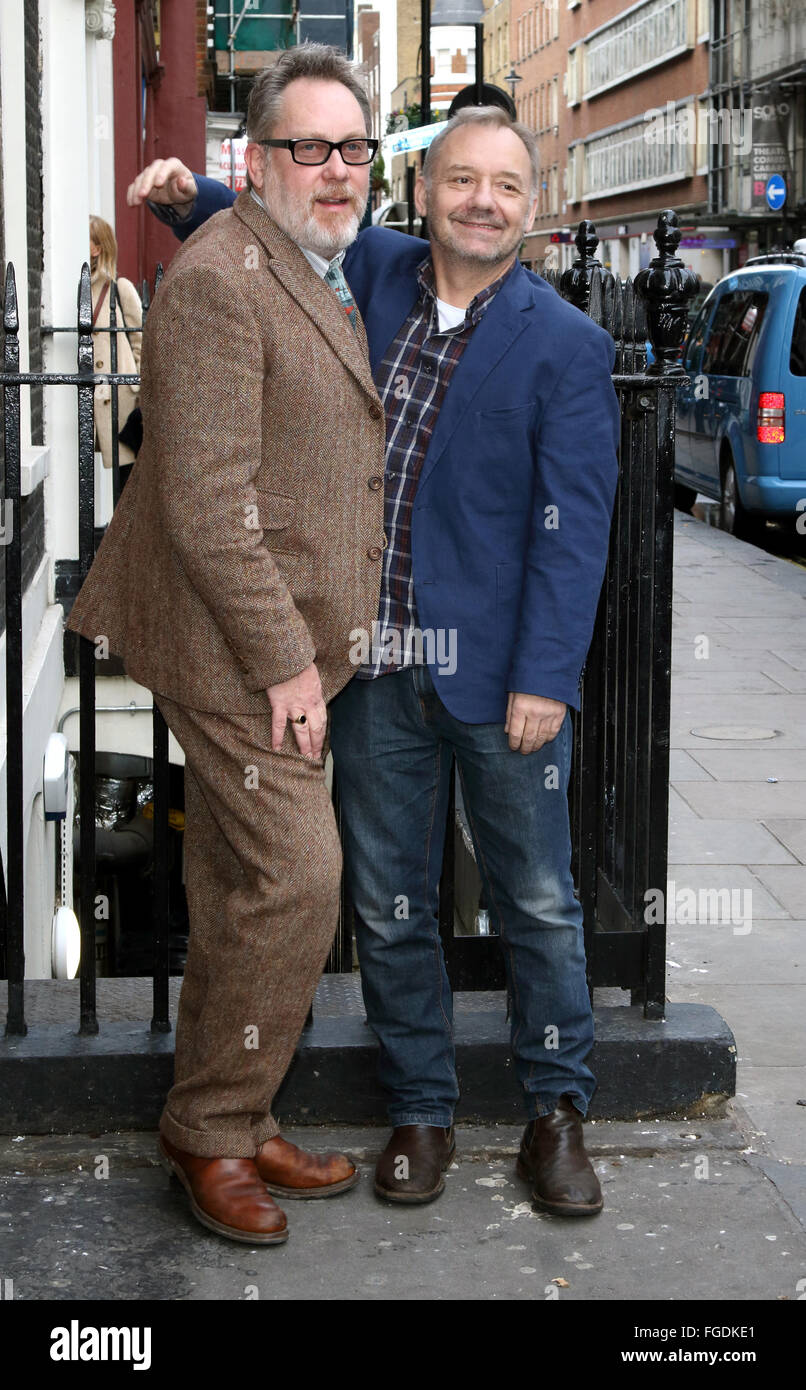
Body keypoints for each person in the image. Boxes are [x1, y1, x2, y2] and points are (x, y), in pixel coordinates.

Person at [133, 105, 620, 1217]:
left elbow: (574, 526)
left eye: (504, 185)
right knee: (392, 903)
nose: (481, 200)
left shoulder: (566, 346)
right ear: (427, 194)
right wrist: (184, 199)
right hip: (369, 666)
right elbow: (283, 214)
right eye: (461, 180)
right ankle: (420, 1109)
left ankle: (554, 1111)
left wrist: (547, 675)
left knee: (536, 903)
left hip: (501, 683)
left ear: (530, 209)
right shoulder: (379, 272)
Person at [67, 44, 388, 1244]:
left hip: (277, 635)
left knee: (238, 884)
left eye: (353, 149)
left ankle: (236, 1105)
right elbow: (207, 505)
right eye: (310, 148)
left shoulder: (305, 259)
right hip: (230, 645)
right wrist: (287, 665)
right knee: (300, 878)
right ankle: (206, 1129)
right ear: (254, 162)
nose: (338, 170)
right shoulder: (218, 280)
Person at [89, 216, 142, 489]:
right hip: (89, 397)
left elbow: (139, 343)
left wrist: (137, 386)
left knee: (125, 484)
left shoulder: (120, 289)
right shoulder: (79, 289)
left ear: (97, 248)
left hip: (120, 400)